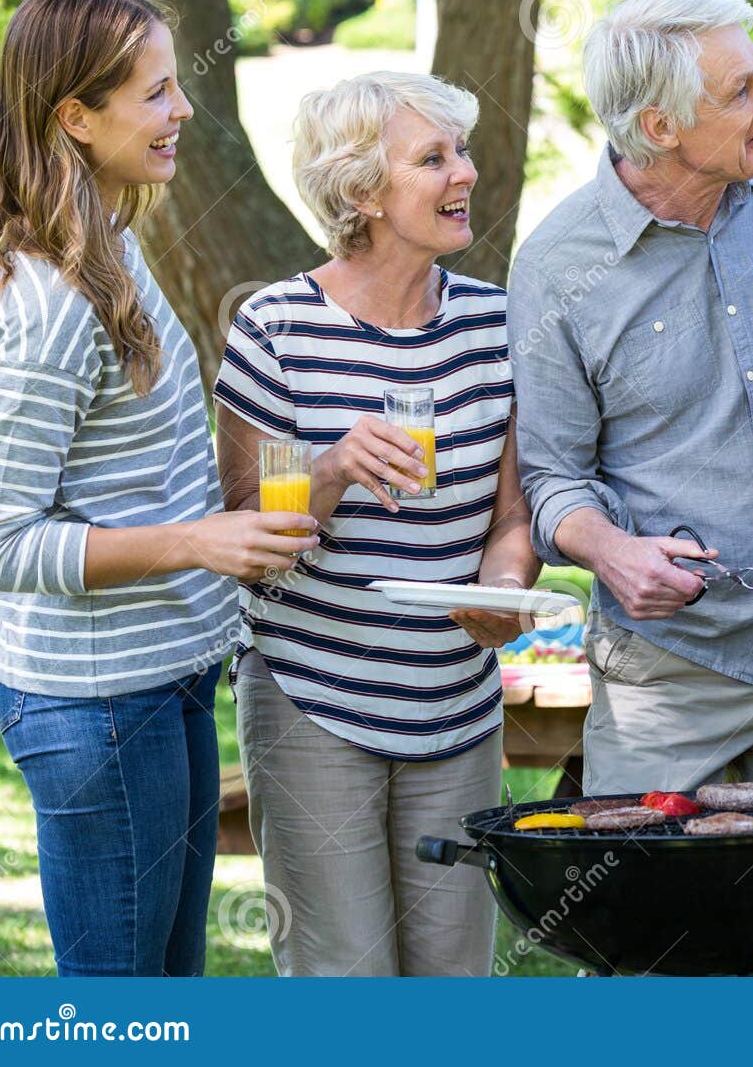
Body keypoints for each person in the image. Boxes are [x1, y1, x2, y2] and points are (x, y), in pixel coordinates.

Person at [0, 0, 316, 976]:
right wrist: (196, 541)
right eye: (156, 93)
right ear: (74, 116)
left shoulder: (110, 245)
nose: (184, 110)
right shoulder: (50, 304)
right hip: (97, 707)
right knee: (120, 1007)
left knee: (169, 989)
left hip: (161, 680)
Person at [507, 0, 753, 795]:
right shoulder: (556, 266)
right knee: (656, 915)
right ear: (660, 126)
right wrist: (612, 553)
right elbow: (551, 479)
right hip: (670, 673)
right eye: (741, 92)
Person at [213, 71, 538, 975]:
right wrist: (332, 468)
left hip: (457, 704)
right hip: (314, 698)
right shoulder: (277, 330)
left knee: (453, 981)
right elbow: (251, 540)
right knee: (343, 978)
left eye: (462, 151)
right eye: (433, 158)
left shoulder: (494, 327)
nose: (465, 173)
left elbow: (513, 515)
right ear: (362, 191)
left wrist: (505, 589)